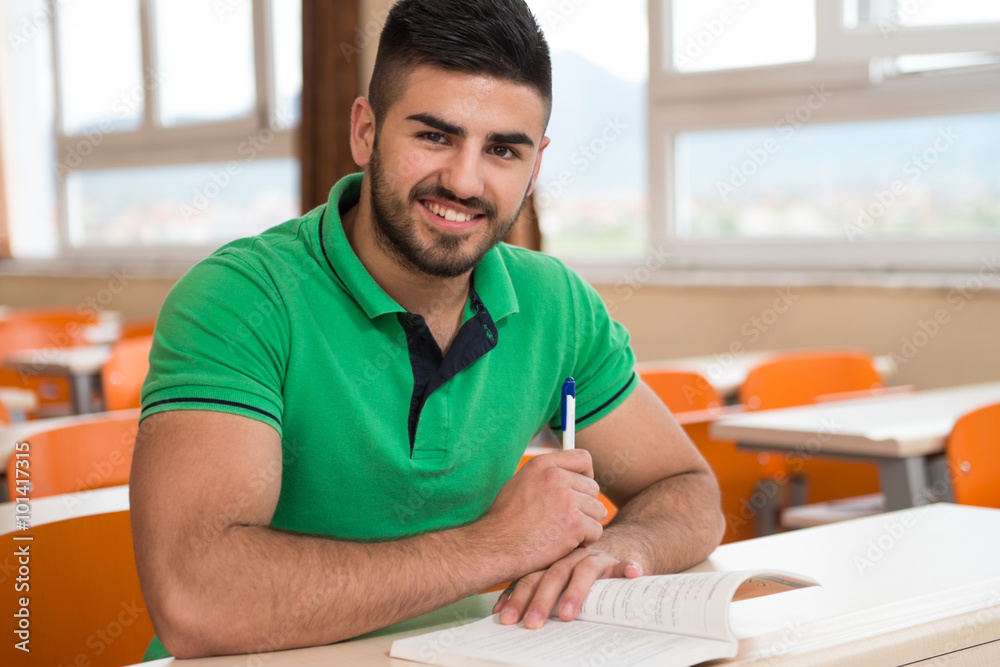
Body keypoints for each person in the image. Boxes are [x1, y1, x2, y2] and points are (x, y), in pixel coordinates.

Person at [130, 0, 725, 659]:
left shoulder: (555, 302)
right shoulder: (241, 299)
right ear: (365, 131)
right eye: (435, 136)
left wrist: (621, 549)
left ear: (536, 163)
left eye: (503, 149)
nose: (464, 180)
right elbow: (195, 598)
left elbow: (687, 490)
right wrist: (498, 544)